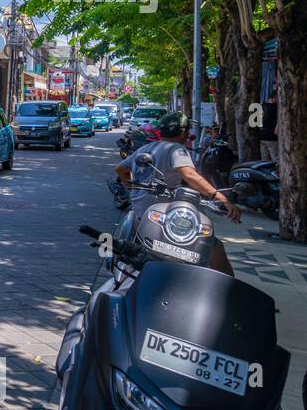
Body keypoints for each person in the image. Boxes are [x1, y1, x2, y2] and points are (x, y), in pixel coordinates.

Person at [115, 111, 239, 275]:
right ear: (182, 132)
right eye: (187, 130)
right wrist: (222, 198)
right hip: (163, 217)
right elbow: (190, 175)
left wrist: (133, 189)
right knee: (214, 247)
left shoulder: (147, 148)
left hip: (140, 215)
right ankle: (226, 293)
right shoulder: (176, 149)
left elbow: (121, 169)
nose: (188, 134)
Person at [259, 93, 279, 162]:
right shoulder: (276, 108)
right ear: (275, 97)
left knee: (264, 160)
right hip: (272, 138)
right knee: (276, 160)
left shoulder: (261, 106)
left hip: (262, 137)